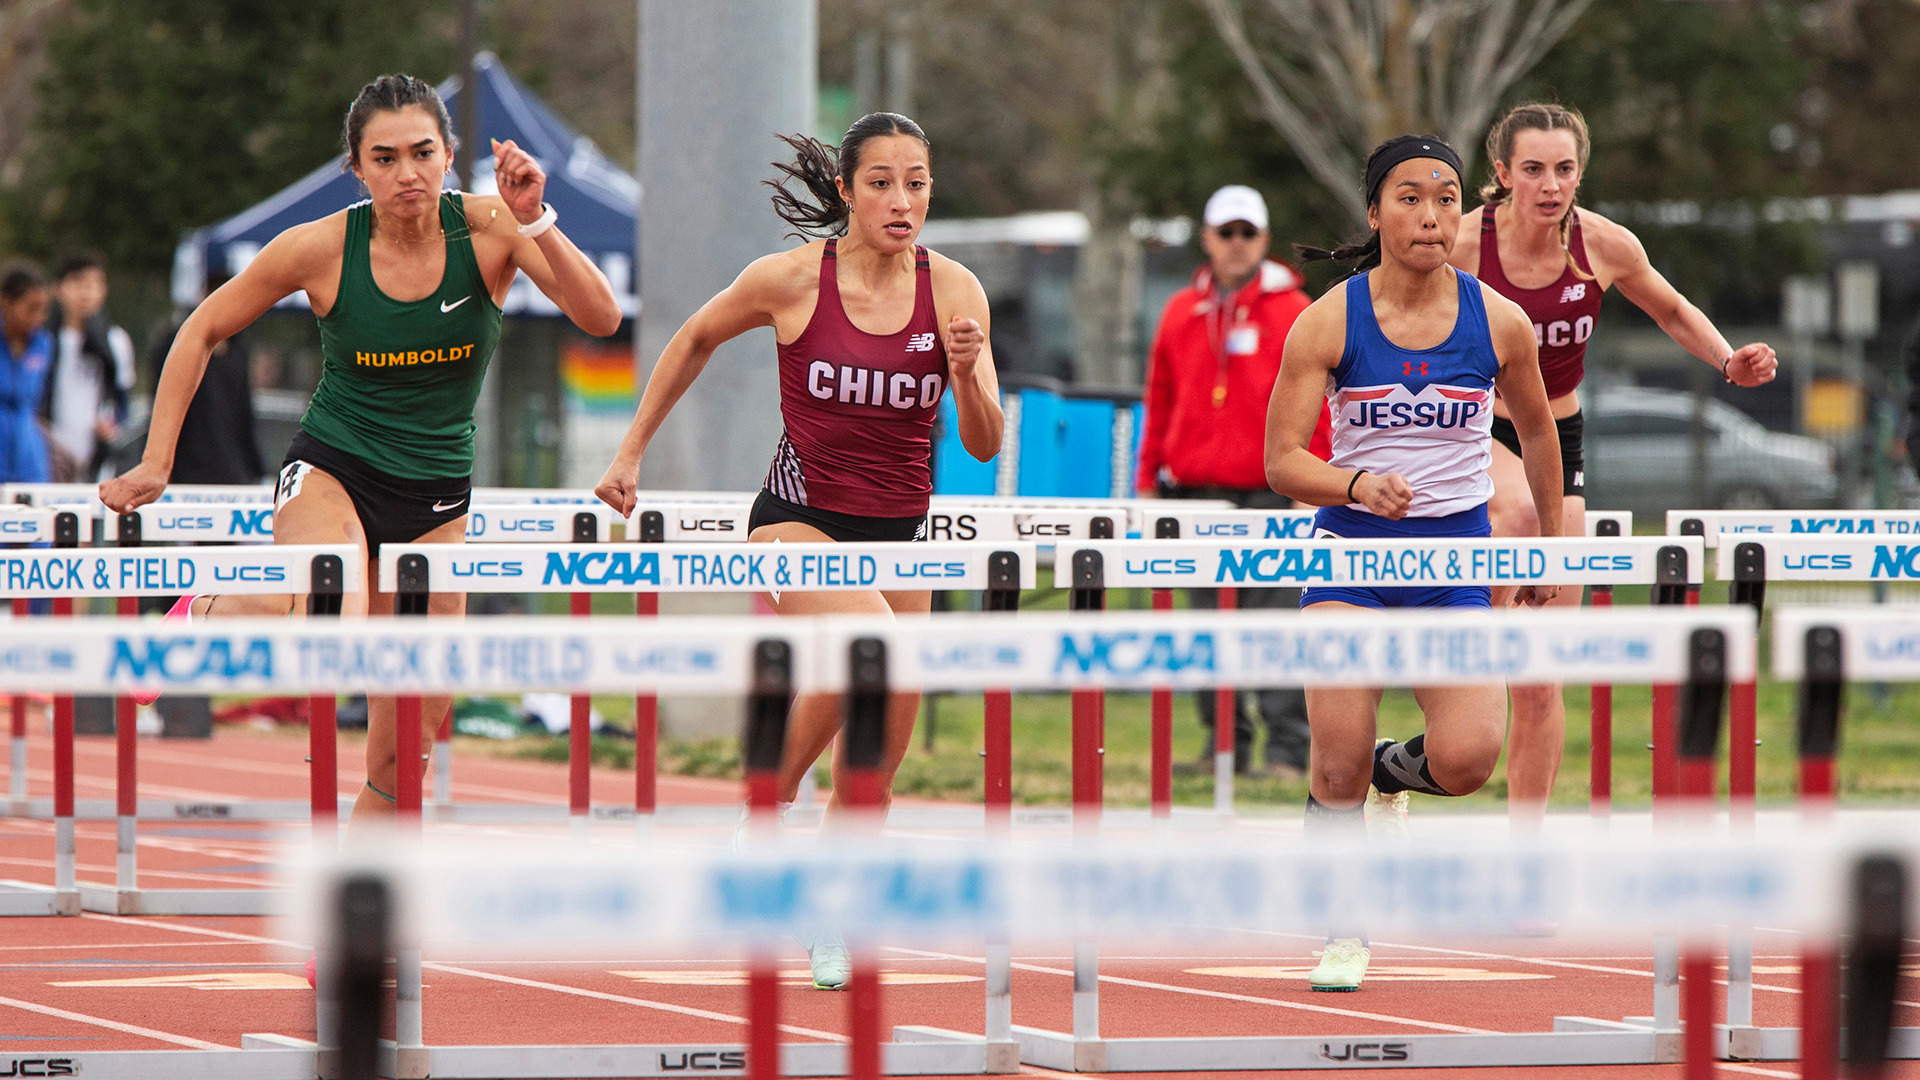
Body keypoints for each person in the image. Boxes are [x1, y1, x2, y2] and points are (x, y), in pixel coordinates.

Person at [99, 74, 621, 826]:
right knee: (332, 610)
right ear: (357, 168)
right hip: (333, 469)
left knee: (403, 760)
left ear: (449, 156)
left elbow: (601, 317)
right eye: (384, 158)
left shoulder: (495, 227)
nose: (407, 173)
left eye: (422, 152)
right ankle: (199, 611)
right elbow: (202, 329)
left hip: (436, 502)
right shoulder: (318, 248)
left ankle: (357, 895)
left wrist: (536, 218)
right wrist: (157, 460)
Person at [594, 111, 1002, 991]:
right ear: (848, 191)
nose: (901, 201)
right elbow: (694, 337)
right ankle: (765, 813)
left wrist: (967, 374)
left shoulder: (954, 289)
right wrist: (630, 453)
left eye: (917, 184)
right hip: (796, 521)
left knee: (881, 752)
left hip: (904, 538)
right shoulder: (788, 280)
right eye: (882, 183)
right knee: (874, 651)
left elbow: (984, 443)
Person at [1265, 135, 1563, 991]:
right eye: (1409, 198)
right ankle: (1344, 930)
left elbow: (1539, 432)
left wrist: (1549, 544)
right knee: (1333, 764)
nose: (1431, 216)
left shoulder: (1499, 322)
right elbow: (1282, 462)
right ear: (1374, 212)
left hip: (1453, 565)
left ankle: (1390, 775)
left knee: (1469, 760)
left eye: (1445, 198)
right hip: (1352, 559)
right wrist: (1356, 484)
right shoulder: (1328, 321)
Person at [1447, 103, 1779, 828]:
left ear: (1580, 174)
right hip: (1477, 431)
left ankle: (1524, 845)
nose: (1550, 185)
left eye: (1564, 169)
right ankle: (1466, 646)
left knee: (1541, 678)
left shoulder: (1603, 244)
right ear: (1502, 174)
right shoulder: (1465, 244)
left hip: (1560, 435)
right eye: (1533, 169)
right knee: (1522, 514)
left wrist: (1729, 360)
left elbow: (1672, 309)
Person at [1135, 184, 1327, 779]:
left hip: (1273, 492)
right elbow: (1159, 399)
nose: (1237, 243)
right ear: (1207, 239)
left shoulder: (1295, 310)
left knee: (1274, 626)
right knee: (1207, 628)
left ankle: (1287, 751)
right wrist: (1146, 481)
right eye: (1227, 232)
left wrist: (1312, 484)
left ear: (1264, 239)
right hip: (1195, 494)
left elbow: (1321, 404)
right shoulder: (1179, 310)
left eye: (1248, 232)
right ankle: (1224, 748)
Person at [147, 272, 267, 486]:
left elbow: (244, 413)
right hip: (186, 470)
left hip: (232, 471)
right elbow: (162, 406)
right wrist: (160, 463)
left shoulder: (239, 351)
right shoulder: (176, 345)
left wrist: (255, 468)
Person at [40, 251, 134, 483]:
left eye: (94, 284)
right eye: (78, 282)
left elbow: (123, 402)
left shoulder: (116, 342)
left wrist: (113, 427)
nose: (86, 292)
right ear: (58, 288)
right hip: (48, 459)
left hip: (97, 466)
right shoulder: (43, 341)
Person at [0, 262, 54, 486]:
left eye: (43, 310)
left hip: (28, 451)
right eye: (31, 309)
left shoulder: (43, 344)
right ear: (6, 302)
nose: (38, 317)